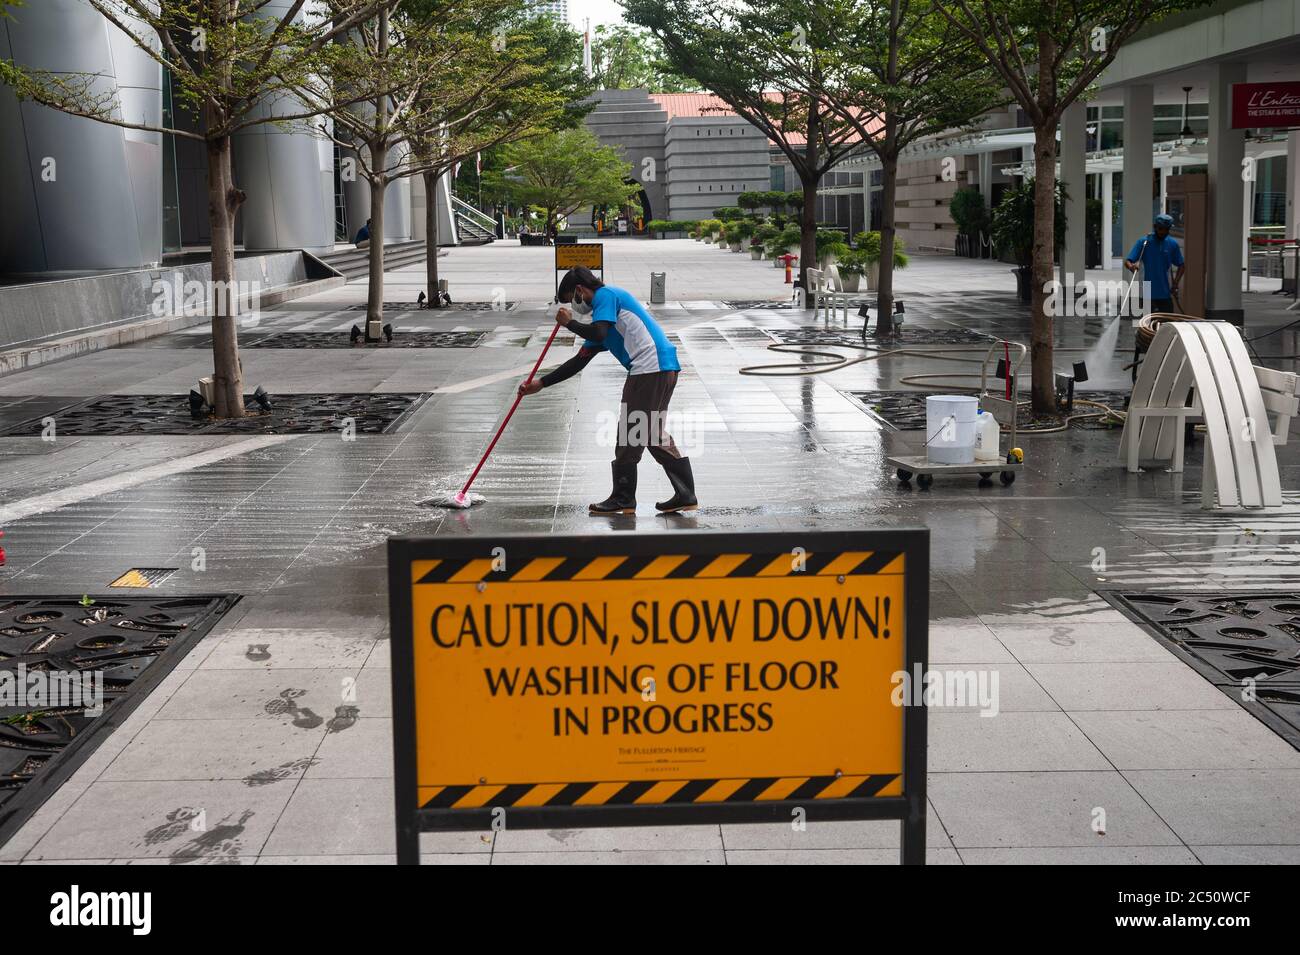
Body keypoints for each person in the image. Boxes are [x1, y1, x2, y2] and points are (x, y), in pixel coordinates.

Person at [518, 266, 697, 514]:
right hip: (661, 367)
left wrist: (569, 323)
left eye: (573, 299)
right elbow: (580, 359)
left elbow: (598, 332)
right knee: (650, 432)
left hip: (649, 369)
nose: (575, 307)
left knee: (630, 433)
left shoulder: (605, 296)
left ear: (580, 290)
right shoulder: (604, 316)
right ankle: (686, 494)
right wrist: (541, 383)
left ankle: (623, 498)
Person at [1125, 213, 1185, 313]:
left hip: (1165, 292)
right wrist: (1132, 267)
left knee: (1167, 323)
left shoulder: (1172, 244)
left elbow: (1181, 265)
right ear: (1155, 227)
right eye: (1160, 229)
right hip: (1147, 291)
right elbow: (1128, 261)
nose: (1163, 232)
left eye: (1166, 229)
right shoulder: (1144, 242)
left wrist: (1175, 283)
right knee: (1147, 324)